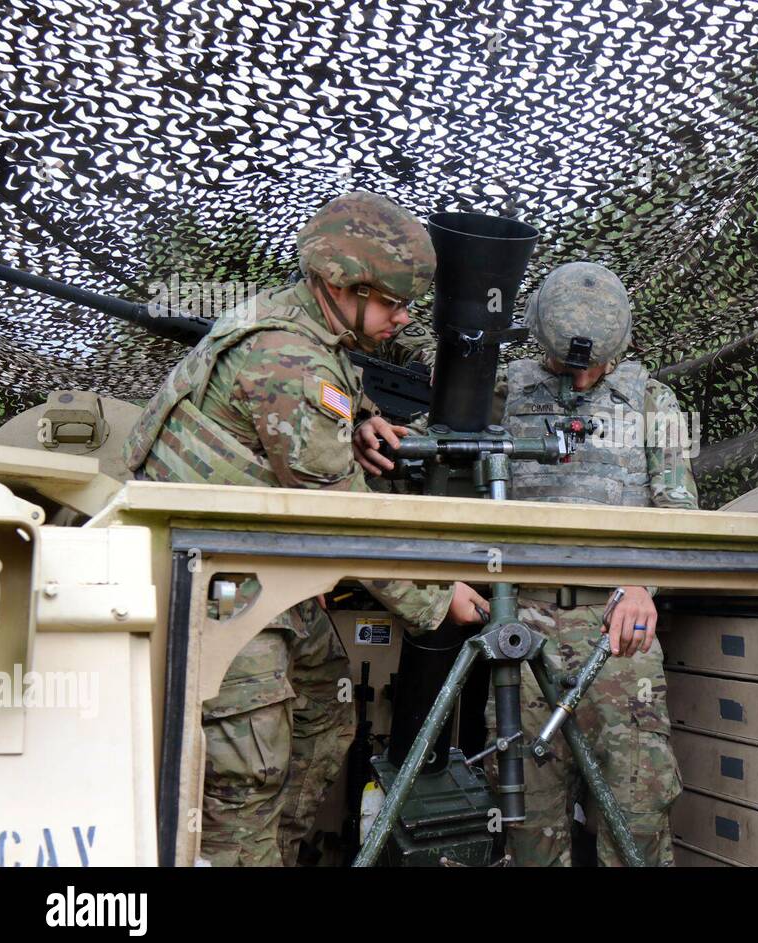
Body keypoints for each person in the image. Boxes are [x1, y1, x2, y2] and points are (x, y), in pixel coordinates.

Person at [122, 191, 489, 865]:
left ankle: (276, 852)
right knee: (248, 775)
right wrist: (438, 602)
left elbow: (328, 384)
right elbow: (342, 523)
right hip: (207, 588)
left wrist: (359, 417)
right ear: (339, 284)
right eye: (390, 302)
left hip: (243, 568)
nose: (402, 319)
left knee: (326, 708)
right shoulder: (289, 361)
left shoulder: (298, 319)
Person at [355, 261, 697, 865]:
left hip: (620, 636)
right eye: (567, 363)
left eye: (591, 364)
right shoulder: (502, 390)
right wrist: (366, 428)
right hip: (522, 628)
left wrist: (645, 585)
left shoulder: (653, 400)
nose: (580, 375)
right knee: (529, 818)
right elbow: (430, 456)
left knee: (638, 807)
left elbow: (679, 512)